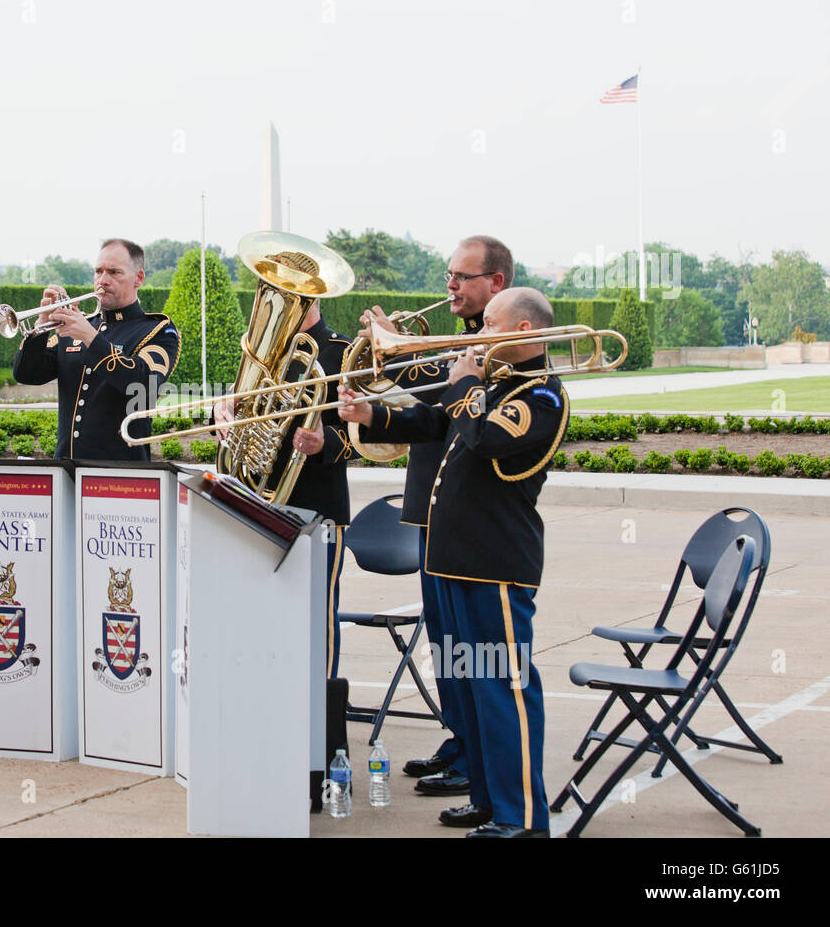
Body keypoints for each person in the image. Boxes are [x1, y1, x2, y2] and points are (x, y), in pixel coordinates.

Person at [339, 286, 568, 837]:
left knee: (502, 690)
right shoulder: (489, 385)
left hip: (493, 566)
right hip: (451, 561)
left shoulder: (543, 397)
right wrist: (370, 413)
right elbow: (438, 424)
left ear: (520, 332)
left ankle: (524, 818)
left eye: (490, 326)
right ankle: (490, 802)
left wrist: (464, 381)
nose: (478, 336)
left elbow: (485, 437)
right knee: (468, 689)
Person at [361, 235, 509, 799]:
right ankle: (460, 736)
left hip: (466, 521)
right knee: (445, 644)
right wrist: (386, 361)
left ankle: (476, 754)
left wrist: (404, 360)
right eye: (449, 274)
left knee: (468, 645)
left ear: (496, 283)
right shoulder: (458, 345)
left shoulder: (495, 351)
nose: (451, 284)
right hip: (429, 511)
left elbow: (458, 417)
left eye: (463, 276)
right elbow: (425, 410)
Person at [213, 300, 356, 678]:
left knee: (313, 617)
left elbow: (373, 436)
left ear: (314, 299)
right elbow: (239, 409)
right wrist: (222, 414)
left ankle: (320, 716)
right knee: (259, 614)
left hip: (316, 507)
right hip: (255, 504)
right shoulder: (263, 353)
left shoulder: (342, 353)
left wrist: (327, 442)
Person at [12, 238, 179, 461]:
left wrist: (91, 338)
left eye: (113, 272)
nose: (102, 280)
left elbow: (143, 383)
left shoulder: (157, 330)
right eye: (98, 271)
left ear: (138, 278)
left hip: (120, 474)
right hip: (65, 467)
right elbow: (26, 374)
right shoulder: (79, 325)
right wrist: (41, 326)